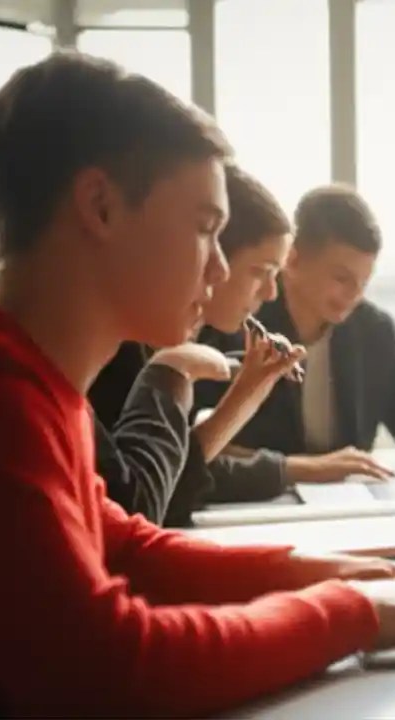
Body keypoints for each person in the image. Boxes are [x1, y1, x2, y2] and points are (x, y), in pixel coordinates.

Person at [0, 52, 395, 717]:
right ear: (101, 207)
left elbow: (125, 547)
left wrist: (317, 571)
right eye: (206, 230)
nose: (221, 269)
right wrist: (349, 611)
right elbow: (110, 665)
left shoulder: (33, 383)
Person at [88, 163, 306, 525]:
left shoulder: (182, 340)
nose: (271, 294)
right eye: (260, 272)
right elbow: (145, 508)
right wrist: (174, 372)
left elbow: (170, 479)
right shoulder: (119, 351)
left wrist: (248, 391)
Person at [197, 185, 395, 486]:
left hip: (344, 500)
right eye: (342, 278)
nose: (355, 295)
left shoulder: (372, 329)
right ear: (292, 261)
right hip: (258, 499)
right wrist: (304, 468)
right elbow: (194, 451)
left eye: (363, 282)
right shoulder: (234, 320)